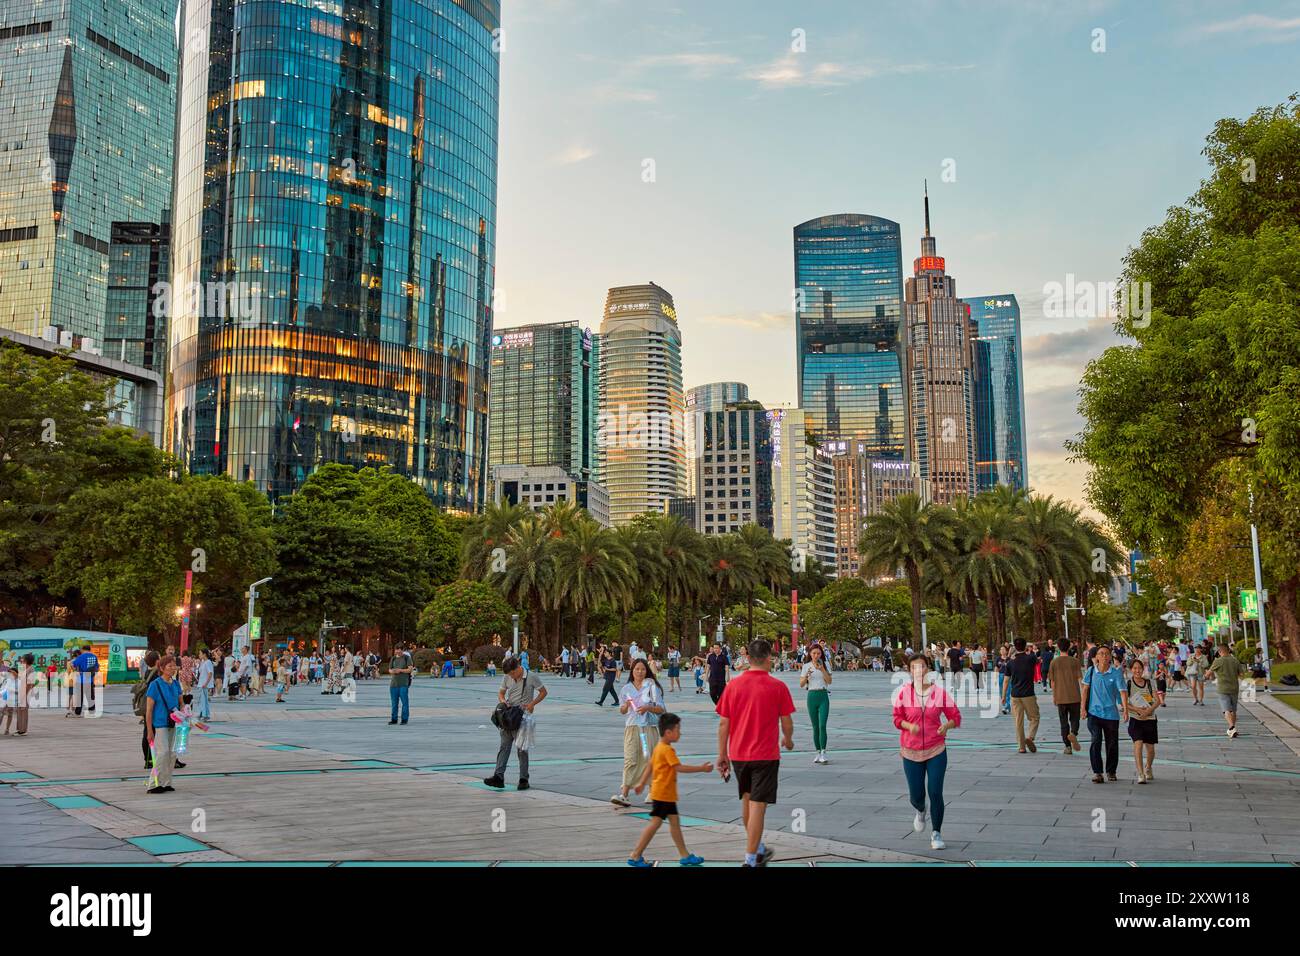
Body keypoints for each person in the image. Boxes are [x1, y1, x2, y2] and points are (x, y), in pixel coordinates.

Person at [715, 639, 795, 867]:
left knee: (748, 801)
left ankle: (758, 847)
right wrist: (787, 740)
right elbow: (786, 721)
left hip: (739, 754)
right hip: (766, 755)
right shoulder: (778, 687)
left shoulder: (733, 687)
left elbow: (723, 724)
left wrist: (722, 754)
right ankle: (751, 859)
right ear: (769, 658)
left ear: (748, 659)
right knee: (759, 805)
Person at [893, 652, 962, 851]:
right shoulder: (903, 693)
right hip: (911, 751)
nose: (919, 670)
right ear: (910, 671)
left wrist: (946, 726)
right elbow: (896, 719)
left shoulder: (939, 693)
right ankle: (920, 809)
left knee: (935, 791)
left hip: (936, 749)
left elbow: (955, 716)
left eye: (922, 666)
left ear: (928, 668)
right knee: (916, 794)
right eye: (915, 667)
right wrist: (908, 725)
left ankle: (936, 833)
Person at [626, 713, 712, 867]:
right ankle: (635, 855)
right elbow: (679, 767)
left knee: (674, 823)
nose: (680, 732)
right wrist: (702, 768)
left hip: (664, 793)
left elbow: (650, 766)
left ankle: (684, 855)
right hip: (664, 794)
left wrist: (642, 783)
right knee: (655, 823)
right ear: (668, 732)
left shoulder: (659, 747)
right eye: (678, 729)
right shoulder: (667, 750)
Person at [483, 657, 547, 791]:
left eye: (512, 673)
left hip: (522, 717)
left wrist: (532, 704)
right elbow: (501, 693)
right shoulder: (507, 677)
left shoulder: (531, 677)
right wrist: (503, 701)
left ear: (518, 668)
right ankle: (498, 777)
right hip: (508, 716)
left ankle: (524, 779)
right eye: (509, 675)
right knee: (504, 747)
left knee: (522, 750)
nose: (511, 676)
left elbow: (543, 692)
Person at [611, 658, 665, 808]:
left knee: (649, 758)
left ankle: (653, 791)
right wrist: (626, 706)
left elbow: (661, 708)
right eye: (637, 669)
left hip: (647, 728)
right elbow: (622, 710)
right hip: (632, 728)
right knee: (630, 759)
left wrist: (648, 707)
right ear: (632, 671)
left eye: (642, 669)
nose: (640, 672)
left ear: (646, 671)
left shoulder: (652, 687)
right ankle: (625, 794)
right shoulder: (626, 689)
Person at [1081, 645, 1128, 783]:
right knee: (1095, 740)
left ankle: (1111, 771)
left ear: (1110, 657)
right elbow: (1085, 690)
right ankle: (1097, 772)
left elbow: (1123, 692)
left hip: (1111, 714)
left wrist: (1125, 710)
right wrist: (1082, 708)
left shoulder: (1116, 673)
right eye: (1101, 653)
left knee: (1112, 743)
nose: (1104, 656)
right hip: (1094, 713)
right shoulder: (1090, 671)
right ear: (1096, 657)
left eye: (1107, 654)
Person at [144, 656, 183, 794]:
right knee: (163, 753)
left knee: (172, 754)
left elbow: (181, 703)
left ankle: (166, 782)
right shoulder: (155, 685)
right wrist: (149, 731)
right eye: (170, 666)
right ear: (161, 668)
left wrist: (184, 713)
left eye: (174, 666)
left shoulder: (176, 684)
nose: (173, 669)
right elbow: (148, 711)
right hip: (160, 724)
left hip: (175, 723)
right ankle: (153, 784)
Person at [1126, 659, 1159, 783]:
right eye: (1134, 668)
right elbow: (1123, 702)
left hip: (1150, 719)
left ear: (1143, 669)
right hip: (1136, 719)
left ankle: (1148, 768)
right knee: (1138, 744)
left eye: (1139, 668)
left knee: (1150, 749)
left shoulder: (1149, 683)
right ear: (1131, 670)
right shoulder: (1128, 684)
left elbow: (1157, 701)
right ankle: (1140, 773)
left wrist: (1147, 711)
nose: (1137, 670)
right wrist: (1137, 709)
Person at [1048, 638, 1082, 755]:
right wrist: (1083, 695)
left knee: (1063, 722)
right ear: (1069, 647)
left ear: (1058, 647)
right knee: (1075, 718)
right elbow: (1080, 679)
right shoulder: (1075, 661)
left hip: (1060, 696)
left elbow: (1052, 682)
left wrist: (1054, 696)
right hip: (1075, 696)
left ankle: (1067, 747)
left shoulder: (1054, 662)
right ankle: (1073, 733)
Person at [800, 642, 833, 764]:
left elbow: (829, 681)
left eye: (818, 653)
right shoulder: (806, 666)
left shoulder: (825, 665)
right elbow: (801, 684)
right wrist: (806, 676)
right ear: (810, 654)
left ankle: (824, 752)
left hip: (823, 695)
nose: (816, 655)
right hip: (812, 696)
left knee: (822, 725)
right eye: (814, 653)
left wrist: (822, 669)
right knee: (815, 727)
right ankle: (817, 752)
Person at [1006, 638, 1040, 754]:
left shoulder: (1010, 662)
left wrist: (1003, 695)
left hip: (1015, 694)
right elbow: (1038, 661)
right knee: (1034, 717)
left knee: (1018, 721)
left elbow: (1006, 680)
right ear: (1025, 646)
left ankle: (1021, 747)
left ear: (1015, 647)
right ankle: (1030, 737)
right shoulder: (1031, 658)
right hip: (1028, 694)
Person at [1207, 643, 1243, 739]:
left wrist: (1206, 675)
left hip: (1222, 688)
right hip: (1234, 687)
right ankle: (1233, 729)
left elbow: (1208, 673)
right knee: (1233, 710)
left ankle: (1231, 727)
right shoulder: (1235, 661)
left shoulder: (1218, 661)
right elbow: (1241, 674)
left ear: (1219, 652)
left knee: (1226, 709)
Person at [388, 643, 413, 725]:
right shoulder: (393, 658)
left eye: (399, 649)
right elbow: (390, 670)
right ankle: (394, 719)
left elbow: (410, 669)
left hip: (403, 684)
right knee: (394, 703)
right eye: (396, 649)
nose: (397, 651)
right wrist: (393, 671)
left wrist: (400, 670)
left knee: (404, 702)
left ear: (402, 650)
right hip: (393, 684)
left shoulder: (407, 658)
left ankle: (404, 719)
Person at [194, 650, 214, 721]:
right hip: (201, 683)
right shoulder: (203, 662)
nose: (199, 655)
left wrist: (206, 683)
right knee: (202, 700)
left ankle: (205, 715)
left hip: (204, 684)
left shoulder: (208, 662)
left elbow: (210, 673)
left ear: (204, 654)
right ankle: (202, 713)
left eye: (200, 653)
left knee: (204, 700)